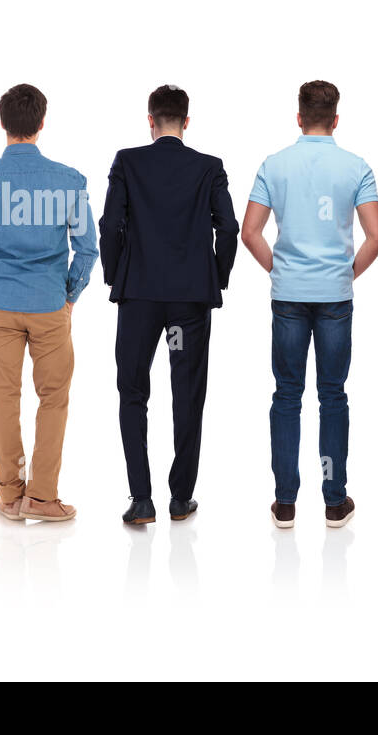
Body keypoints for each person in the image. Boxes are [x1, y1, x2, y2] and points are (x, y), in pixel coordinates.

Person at [0, 83, 97, 523]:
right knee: (54, 398)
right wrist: (70, 295)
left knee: (2, 398)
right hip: (50, 305)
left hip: (0, 304)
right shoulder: (69, 182)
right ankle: (43, 496)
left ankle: (12, 496)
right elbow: (88, 249)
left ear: (3, 124)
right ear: (41, 123)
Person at [240, 80, 378, 529]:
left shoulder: (274, 165)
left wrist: (280, 270)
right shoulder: (356, 166)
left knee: (286, 395)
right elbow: (377, 238)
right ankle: (333, 499)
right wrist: (345, 273)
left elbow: (249, 232)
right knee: (332, 396)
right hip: (334, 297)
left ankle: (285, 502)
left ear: (299, 117)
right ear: (335, 119)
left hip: (288, 295)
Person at [99, 84, 239, 526]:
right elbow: (229, 229)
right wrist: (214, 277)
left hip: (138, 296)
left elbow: (109, 225)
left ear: (150, 120)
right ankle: (181, 498)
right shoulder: (208, 167)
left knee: (132, 392)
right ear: (186, 121)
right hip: (189, 300)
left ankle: (141, 499)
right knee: (188, 394)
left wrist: (115, 274)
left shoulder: (128, 161)